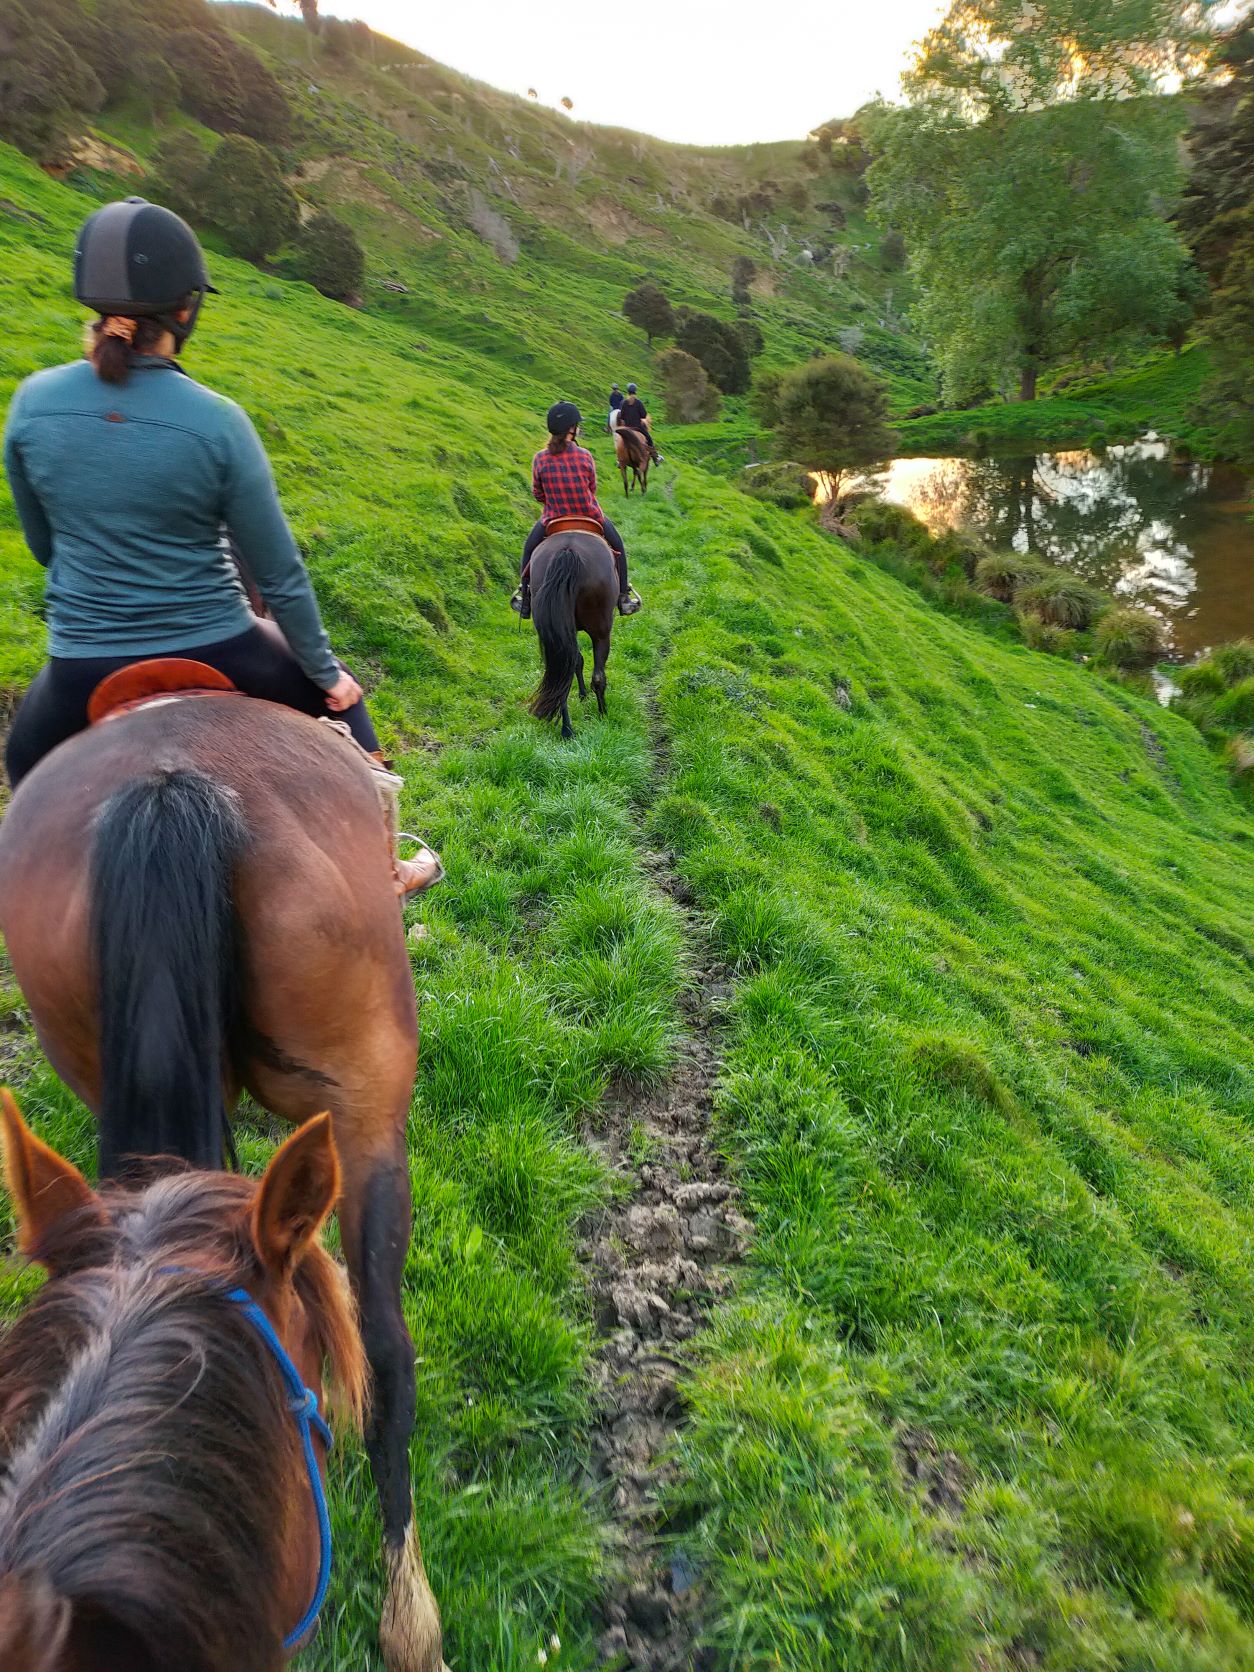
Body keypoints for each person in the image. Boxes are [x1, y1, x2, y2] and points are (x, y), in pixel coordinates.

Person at [1, 196, 440, 895]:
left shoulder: (30, 402)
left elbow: (44, 546)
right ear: (185, 310)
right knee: (348, 705)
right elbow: (280, 575)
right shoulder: (218, 421)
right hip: (220, 646)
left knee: (24, 766)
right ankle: (386, 866)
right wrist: (327, 677)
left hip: (82, 662)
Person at [510, 401, 641, 619]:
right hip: (589, 515)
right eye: (577, 425)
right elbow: (592, 487)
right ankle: (623, 597)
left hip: (553, 518)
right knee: (618, 545)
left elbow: (538, 493)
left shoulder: (540, 458)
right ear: (571, 429)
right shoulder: (585, 455)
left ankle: (525, 598)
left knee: (529, 548)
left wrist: (554, 500)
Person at [617, 383, 661, 463]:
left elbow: (622, 416)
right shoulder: (638, 402)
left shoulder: (624, 403)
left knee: (619, 441)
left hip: (627, 428)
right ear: (635, 391)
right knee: (649, 439)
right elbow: (643, 415)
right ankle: (655, 458)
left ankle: (619, 460)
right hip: (638, 427)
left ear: (628, 392)